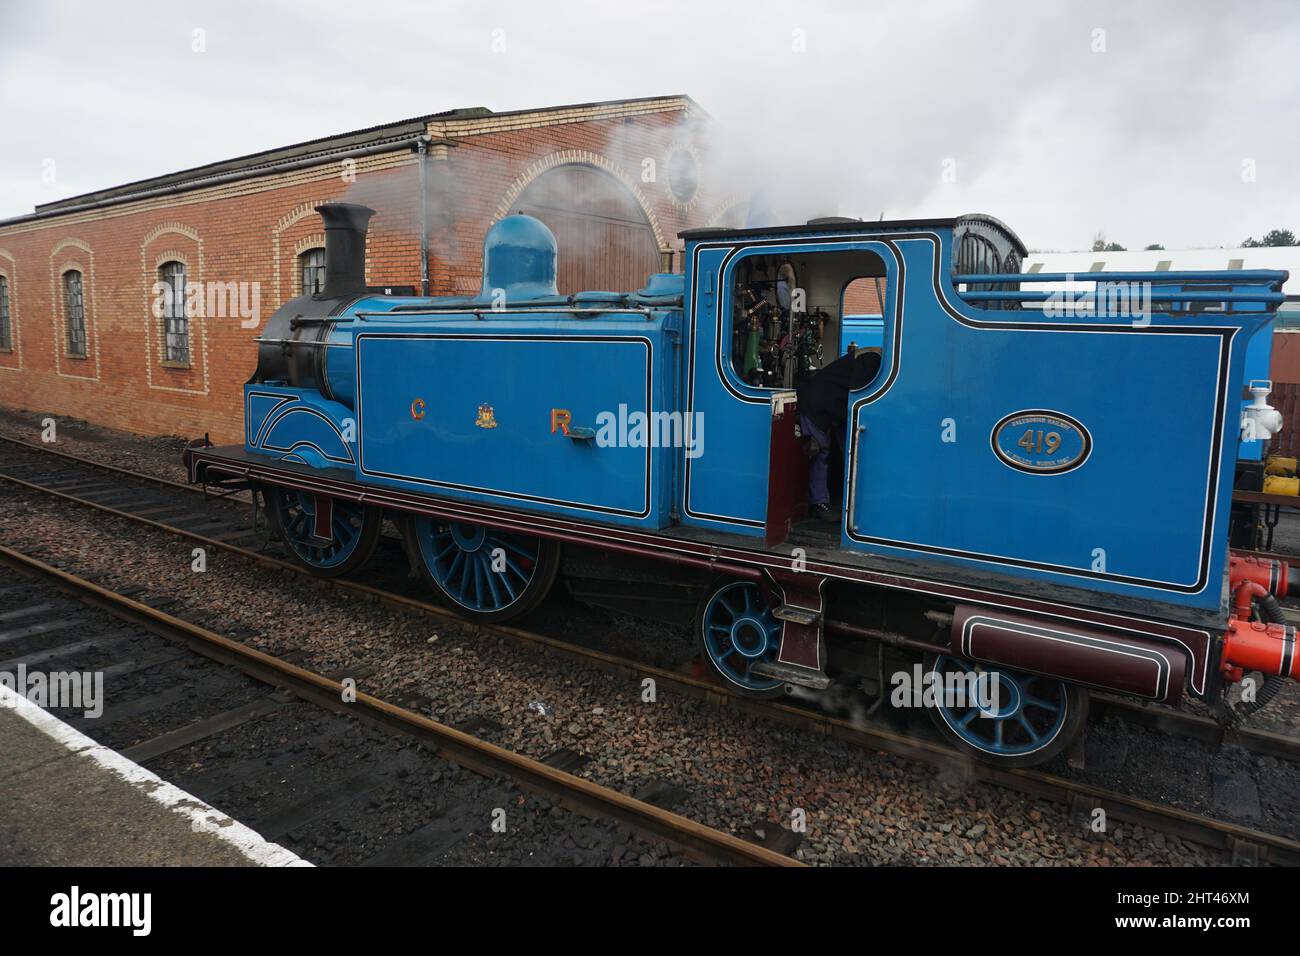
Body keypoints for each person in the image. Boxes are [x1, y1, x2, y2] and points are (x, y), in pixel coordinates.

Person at [796, 349, 882, 521]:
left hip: (837, 409)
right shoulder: (872, 360)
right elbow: (859, 393)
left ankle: (854, 500)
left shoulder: (871, 356)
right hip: (818, 404)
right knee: (820, 453)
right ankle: (818, 503)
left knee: (851, 452)